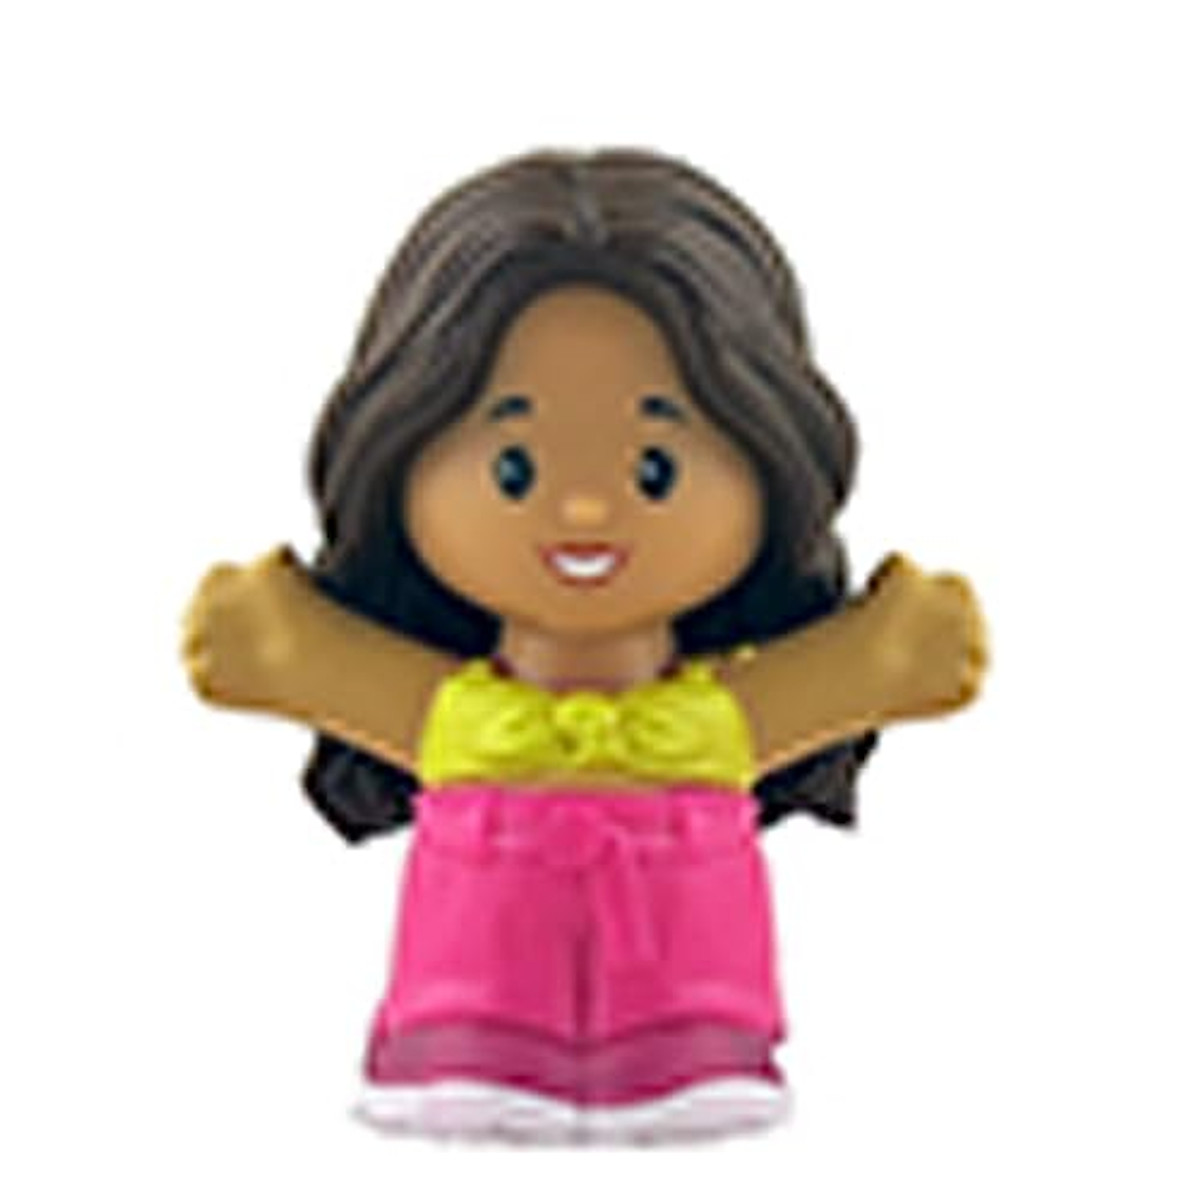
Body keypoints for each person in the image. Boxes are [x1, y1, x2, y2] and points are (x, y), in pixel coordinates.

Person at [181, 149, 988, 1143]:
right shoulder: (466, 713)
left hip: (695, 1019)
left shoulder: (710, 718)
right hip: (468, 1016)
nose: (586, 511)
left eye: (655, 469)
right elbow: (295, 658)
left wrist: (895, 653)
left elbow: (873, 670)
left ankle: (683, 1052)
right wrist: (274, 643)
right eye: (514, 468)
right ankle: (480, 1046)